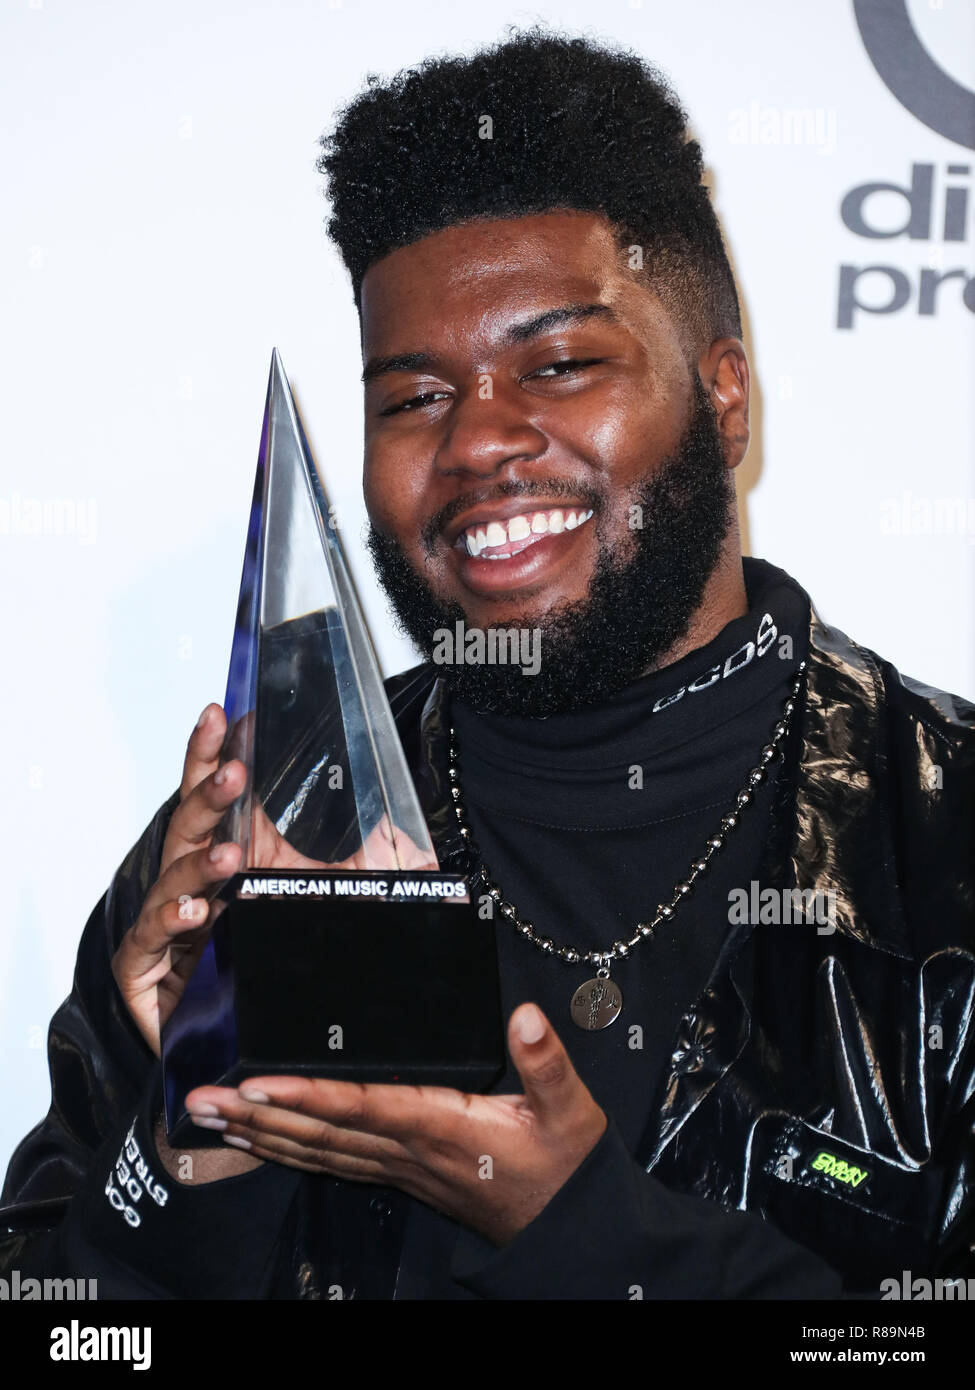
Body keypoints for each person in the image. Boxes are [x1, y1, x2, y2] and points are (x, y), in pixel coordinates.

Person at [2, 29, 973, 1301]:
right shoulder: (264, 845)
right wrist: (197, 1141)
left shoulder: (943, 848)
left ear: (726, 397)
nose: (480, 442)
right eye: (413, 398)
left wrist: (597, 1238)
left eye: (560, 366)